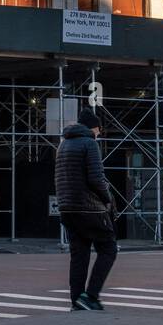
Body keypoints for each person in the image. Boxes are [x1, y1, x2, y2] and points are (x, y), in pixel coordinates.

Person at [55, 107, 117, 311]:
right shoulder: (89, 143)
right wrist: (107, 199)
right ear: (94, 127)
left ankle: (77, 301)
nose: (99, 134)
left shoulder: (63, 145)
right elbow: (96, 178)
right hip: (89, 208)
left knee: (79, 255)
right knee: (108, 248)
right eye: (99, 130)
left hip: (67, 208)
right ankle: (91, 296)